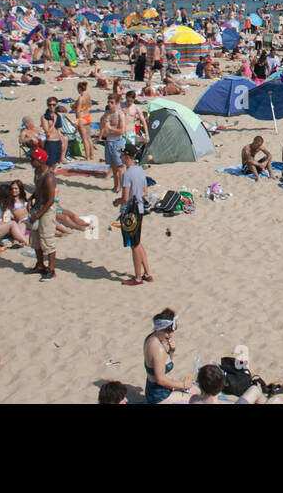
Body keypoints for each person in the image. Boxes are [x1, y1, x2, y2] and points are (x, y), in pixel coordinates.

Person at [117, 143, 152, 285]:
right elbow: (145, 191)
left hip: (131, 210)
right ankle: (147, 273)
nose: (120, 157)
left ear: (126, 157)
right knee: (138, 241)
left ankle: (138, 277)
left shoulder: (127, 174)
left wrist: (116, 202)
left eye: (122, 155)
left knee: (134, 245)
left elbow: (125, 197)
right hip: (140, 208)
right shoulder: (140, 170)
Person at [143, 308, 187, 403]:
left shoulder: (150, 338)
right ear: (159, 329)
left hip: (153, 391)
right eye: (167, 332)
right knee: (195, 397)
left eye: (172, 331)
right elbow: (160, 379)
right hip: (160, 396)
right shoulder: (157, 348)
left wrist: (171, 351)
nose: (170, 335)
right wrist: (183, 385)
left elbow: (162, 364)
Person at [28, 148, 58, 280]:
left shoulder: (49, 177)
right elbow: (38, 190)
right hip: (38, 207)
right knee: (35, 239)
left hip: (46, 210)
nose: (30, 161)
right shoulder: (37, 172)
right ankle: (40, 264)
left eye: (33, 159)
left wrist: (38, 214)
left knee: (47, 239)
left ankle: (51, 269)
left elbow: (51, 200)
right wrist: (31, 198)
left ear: (39, 161)